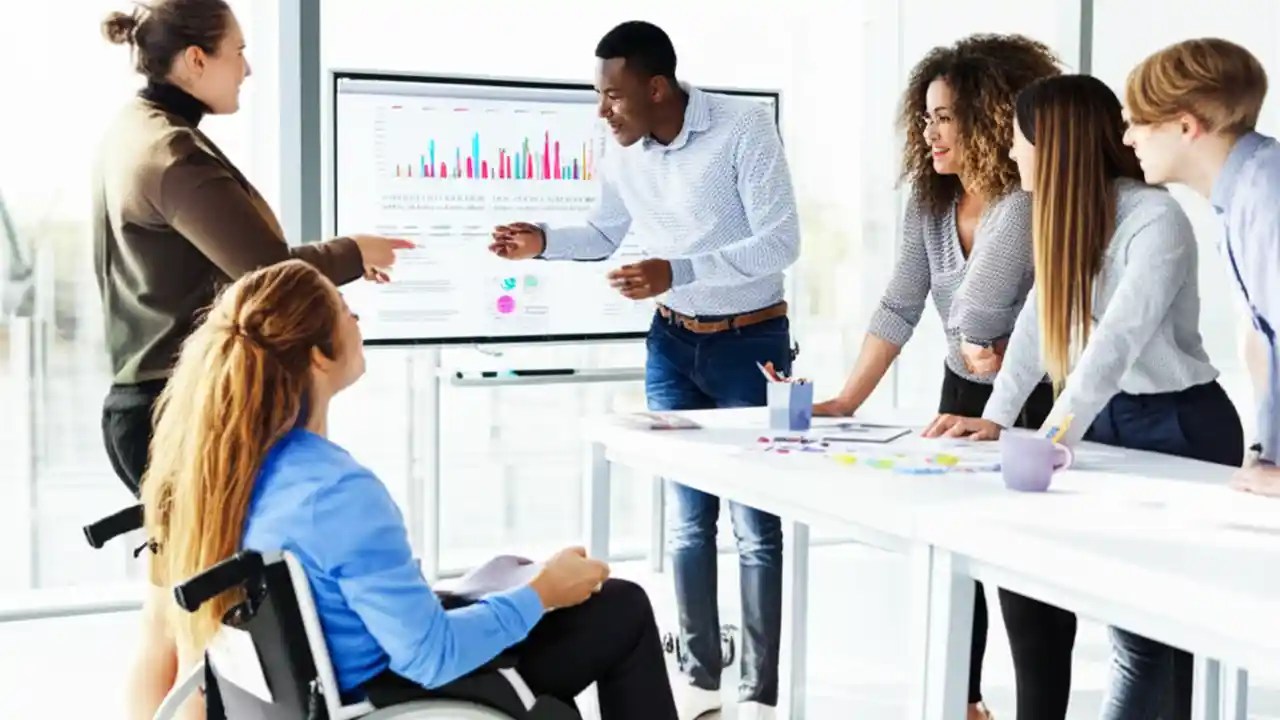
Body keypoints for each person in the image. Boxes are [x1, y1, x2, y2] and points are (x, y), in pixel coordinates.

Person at [130, 259, 679, 720]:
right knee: (621, 607)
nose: (357, 319)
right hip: (394, 694)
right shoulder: (336, 494)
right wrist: (544, 595)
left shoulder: (214, 473)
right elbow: (430, 657)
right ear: (319, 356)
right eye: (347, 312)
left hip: (335, 679)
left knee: (508, 570)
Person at [488, 21, 798, 720]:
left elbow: (781, 242)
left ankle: (762, 692)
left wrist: (675, 268)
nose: (603, 111)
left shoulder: (744, 128)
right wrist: (542, 242)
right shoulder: (623, 147)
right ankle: (701, 678)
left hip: (751, 343)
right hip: (670, 342)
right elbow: (603, 232)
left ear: (657, 88)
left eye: (613, 97)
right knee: (687, 521)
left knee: (756, 524)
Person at [926, 74, 1244, 720]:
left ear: (1058, 145)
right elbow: (1036, 331)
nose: (1013, 156)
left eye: (1020, 142)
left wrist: (1046, 442)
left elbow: (1112, 348)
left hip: (1180, 426)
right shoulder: (1066, 215)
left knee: (1163, 634)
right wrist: (996, 420)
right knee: (1128, 625)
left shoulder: (1155, 220)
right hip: (1108, 423)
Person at [813, 33, 1060, 720]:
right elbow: (901, 301)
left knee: (1027, 570)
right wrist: (844, 400)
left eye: (943, 116)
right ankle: (966, 702)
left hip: (1038, 397)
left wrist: (1000, 348)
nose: (928, 133)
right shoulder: (929, 203)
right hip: (962, 393)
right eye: (923, 117)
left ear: (989, 117)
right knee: (959, 553)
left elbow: (1013, 313)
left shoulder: (1030, 200)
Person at [95, 0, 410, 498]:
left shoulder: (137, 129)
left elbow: (232, 261)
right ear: (196, 59)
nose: (247, 68)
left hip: (153, 402)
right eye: (238, 52)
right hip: (175, 407)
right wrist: (353, 252)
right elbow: (269, 274)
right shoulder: (171, 154)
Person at [1121, 37, 1280, 499]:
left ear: (1185, 126)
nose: (1128, 138)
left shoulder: (1266, 196)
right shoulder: (1244, 192)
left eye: (1137, 124)